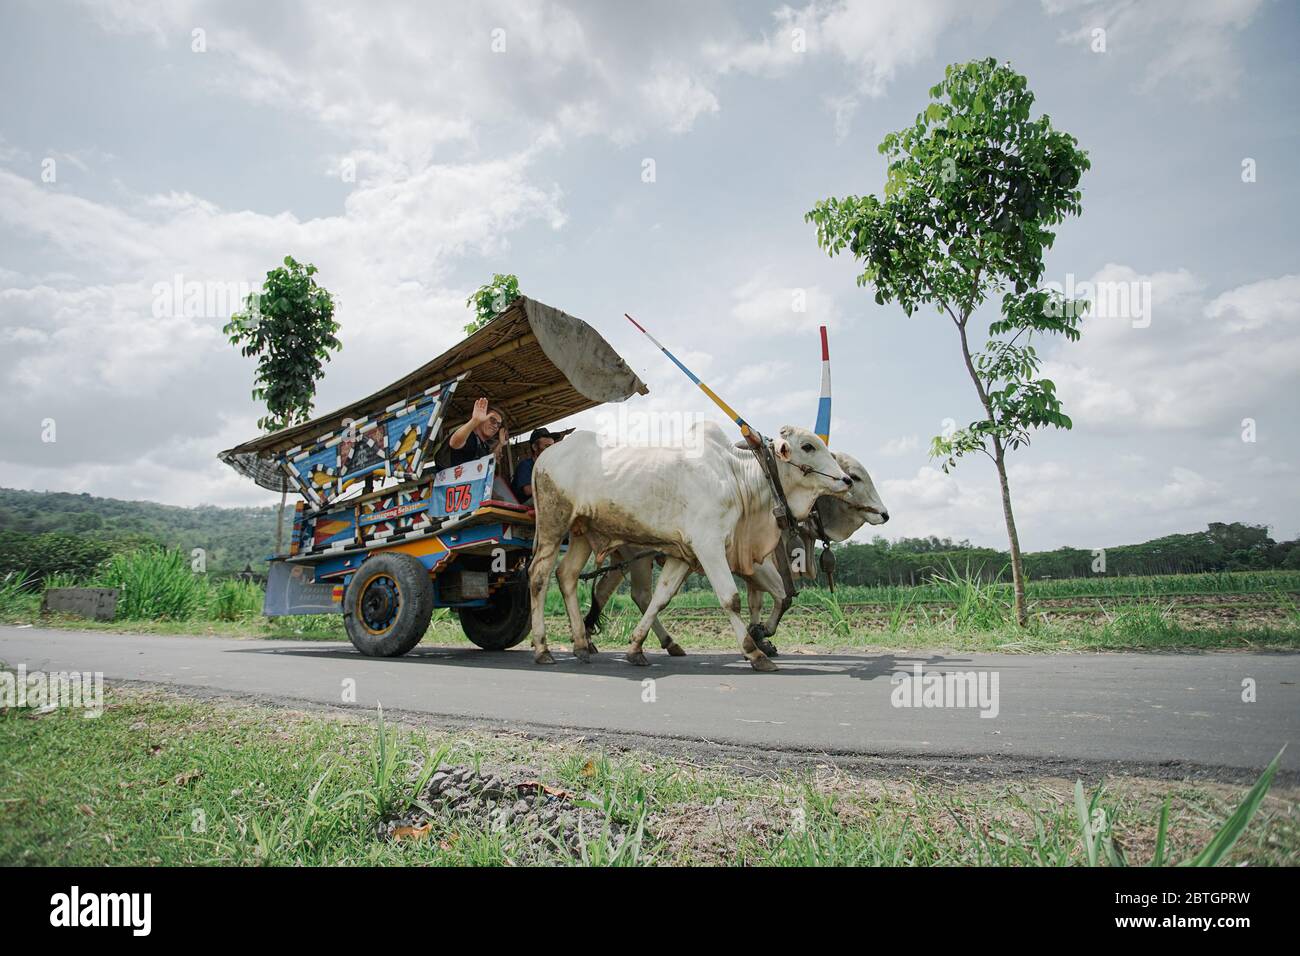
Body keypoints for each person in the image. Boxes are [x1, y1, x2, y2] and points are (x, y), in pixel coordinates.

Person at [447, 397, 508, 468]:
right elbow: (454, 443)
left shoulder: (484, 446)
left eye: (498, 424)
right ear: (482, 418)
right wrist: (475, 421)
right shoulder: (470, 436)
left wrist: (501, 443)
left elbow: (488, 463)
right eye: (492, 420)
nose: (495, 426)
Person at [512, 427, 555, 502]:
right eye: (547, 446)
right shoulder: (525, 465)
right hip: (522, 508)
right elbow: (528, 490)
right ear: (535, 447)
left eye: (553, 447)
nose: (551, 450)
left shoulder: (547, 467)